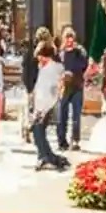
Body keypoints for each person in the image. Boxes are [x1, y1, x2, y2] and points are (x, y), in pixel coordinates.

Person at [31, 43, 70, 172]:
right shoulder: (46, 68)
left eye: (40, 56)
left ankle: (45, 157)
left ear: (45, 56)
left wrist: (42, 110)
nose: (38, 58)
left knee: (37, 131)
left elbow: (50, 91)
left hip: (46, 106)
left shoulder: (52, 70)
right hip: (42, 105)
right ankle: (49, 157)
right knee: (39, 132)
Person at [57, 27, 90, 151]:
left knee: (76, 115)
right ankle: (62, 141)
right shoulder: (60, 53)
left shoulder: (80, 51)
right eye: (67, 38)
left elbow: (84, 65)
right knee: (62, 115)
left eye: (71, 39)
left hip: (77, 85)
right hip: (64, 86)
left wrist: (74, 71)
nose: (69, 41)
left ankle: (75, 140)